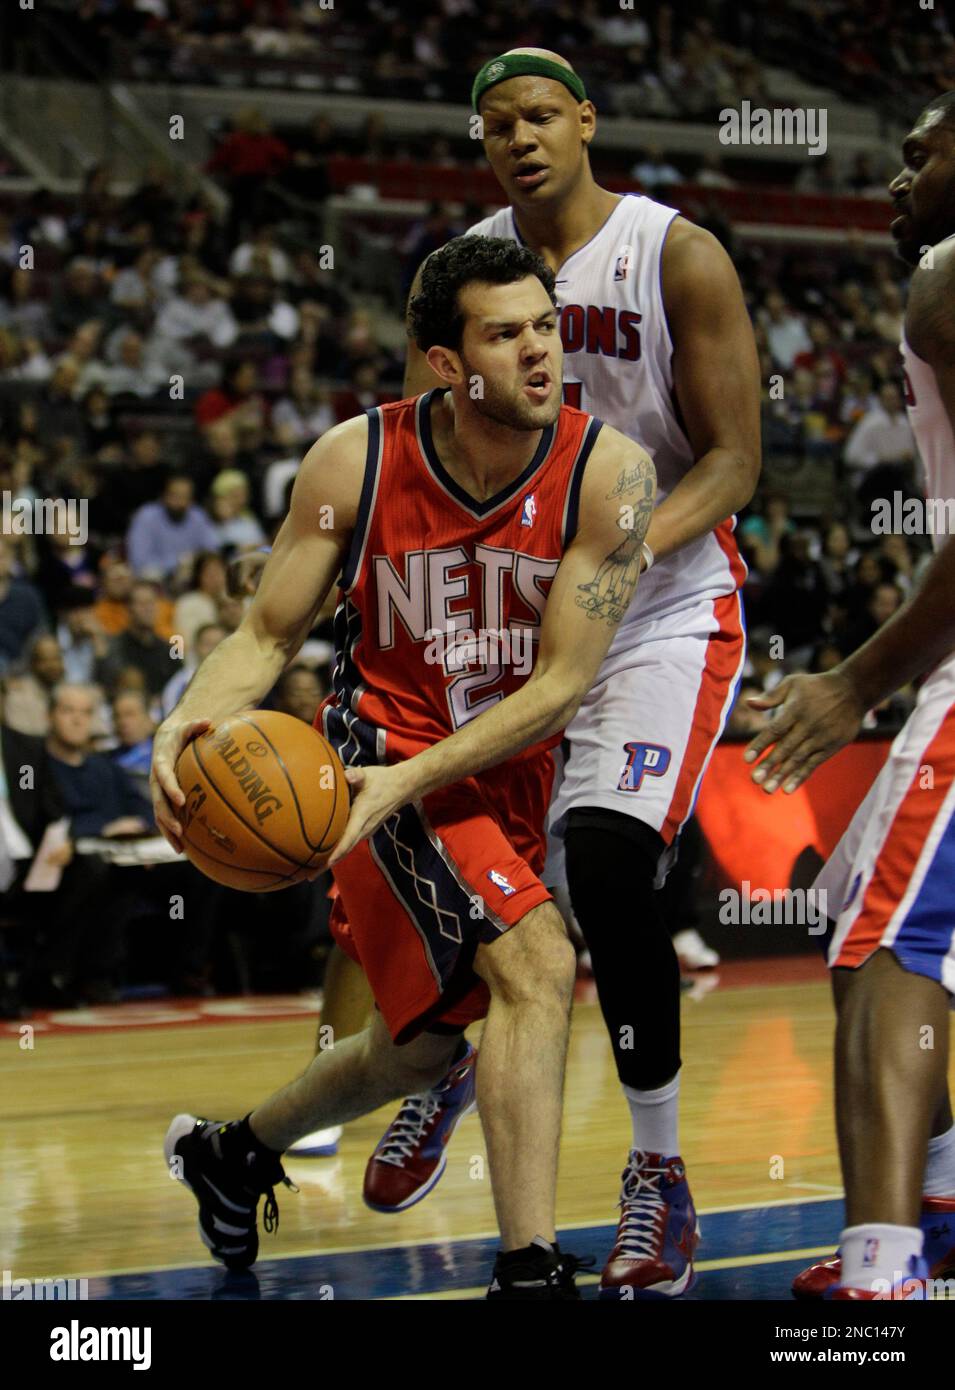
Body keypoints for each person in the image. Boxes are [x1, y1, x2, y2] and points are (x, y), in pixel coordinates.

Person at [152, 234, 656, 1299]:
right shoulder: (356, 460)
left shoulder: (609, 473)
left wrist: (428, 781)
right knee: (538, 962)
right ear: (443, 361)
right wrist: (181, 725)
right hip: (373, 757)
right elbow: (264, 635)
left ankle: (232, 1153)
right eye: (504, 333)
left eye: (546, 327)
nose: (539, 354)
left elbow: (561, 687)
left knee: (417, 1051)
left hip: (502, 769)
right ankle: (528, 1267)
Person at [400, 48, 759, 1299]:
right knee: (454, 852)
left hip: (658, 606)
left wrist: (608, 553)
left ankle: (657, 1176)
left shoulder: (675, 253)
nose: (518, 138)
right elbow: (420, 452)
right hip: (518, 615)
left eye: (540, 115)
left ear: (587, 121)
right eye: (495, 124)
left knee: (608, 863)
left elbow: (732, 460)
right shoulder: (467, 272)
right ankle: (443, 1062)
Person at [747, 92, 955, 1300]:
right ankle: (933, 1181)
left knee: (888, 937)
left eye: (919, 154)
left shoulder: (946, 277)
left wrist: (856, 680)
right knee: (853, 906)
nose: (895, 178)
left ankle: (883, 1276)